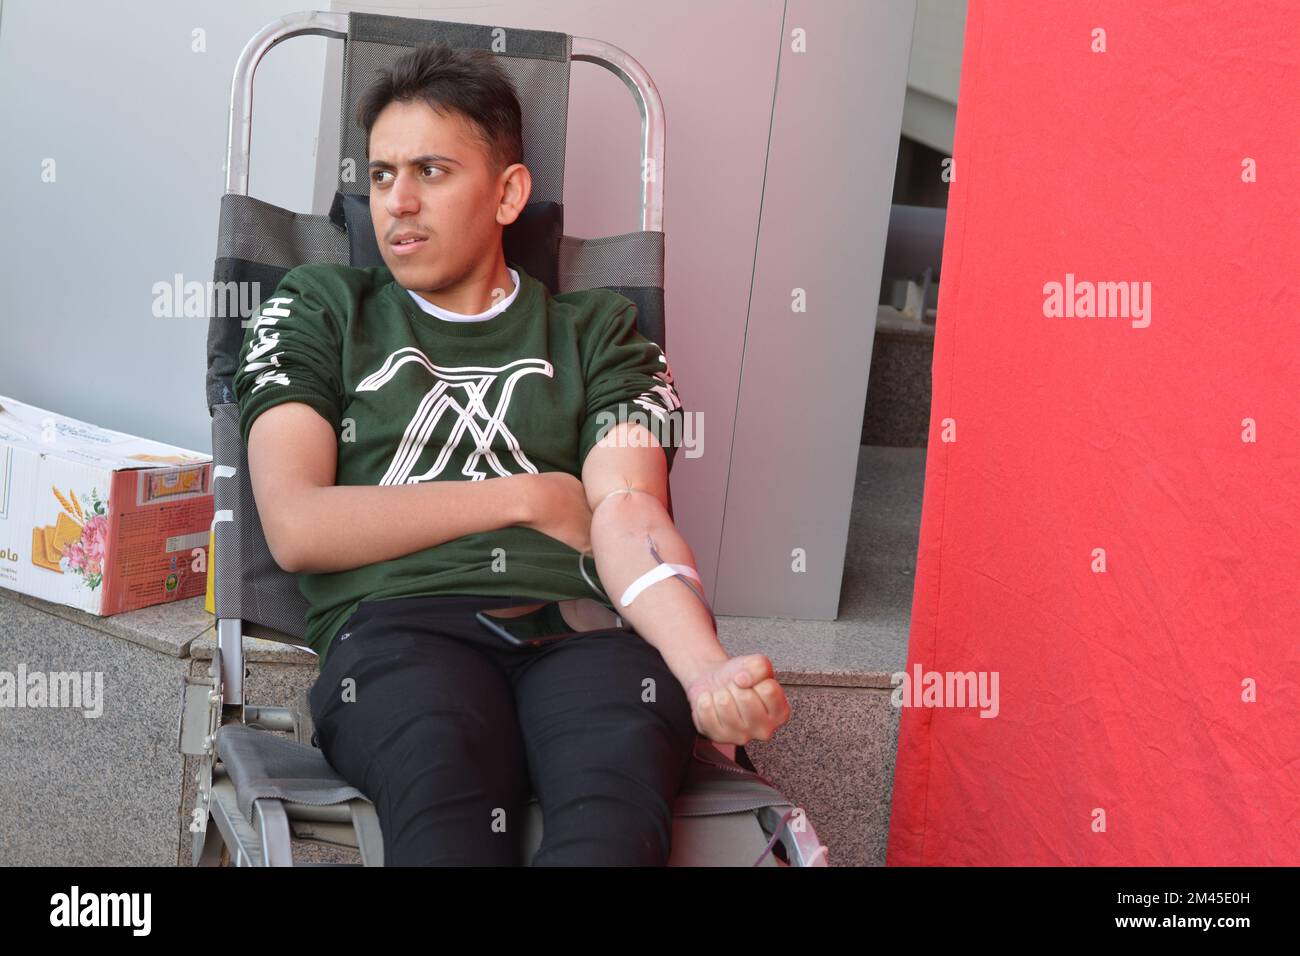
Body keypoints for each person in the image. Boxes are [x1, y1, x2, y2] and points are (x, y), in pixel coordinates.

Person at [233, 41, 790, 866]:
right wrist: (525, 496)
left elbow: (629, 510)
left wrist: (705, 671)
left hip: (587, 631)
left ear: (507, 194)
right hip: (395, 631)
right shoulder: (319, 309)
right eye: (382, 176)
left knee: (614, 824)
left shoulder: (598, 332)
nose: (399, 203)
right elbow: (297, 524)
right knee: (443, 811)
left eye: (432, 171)